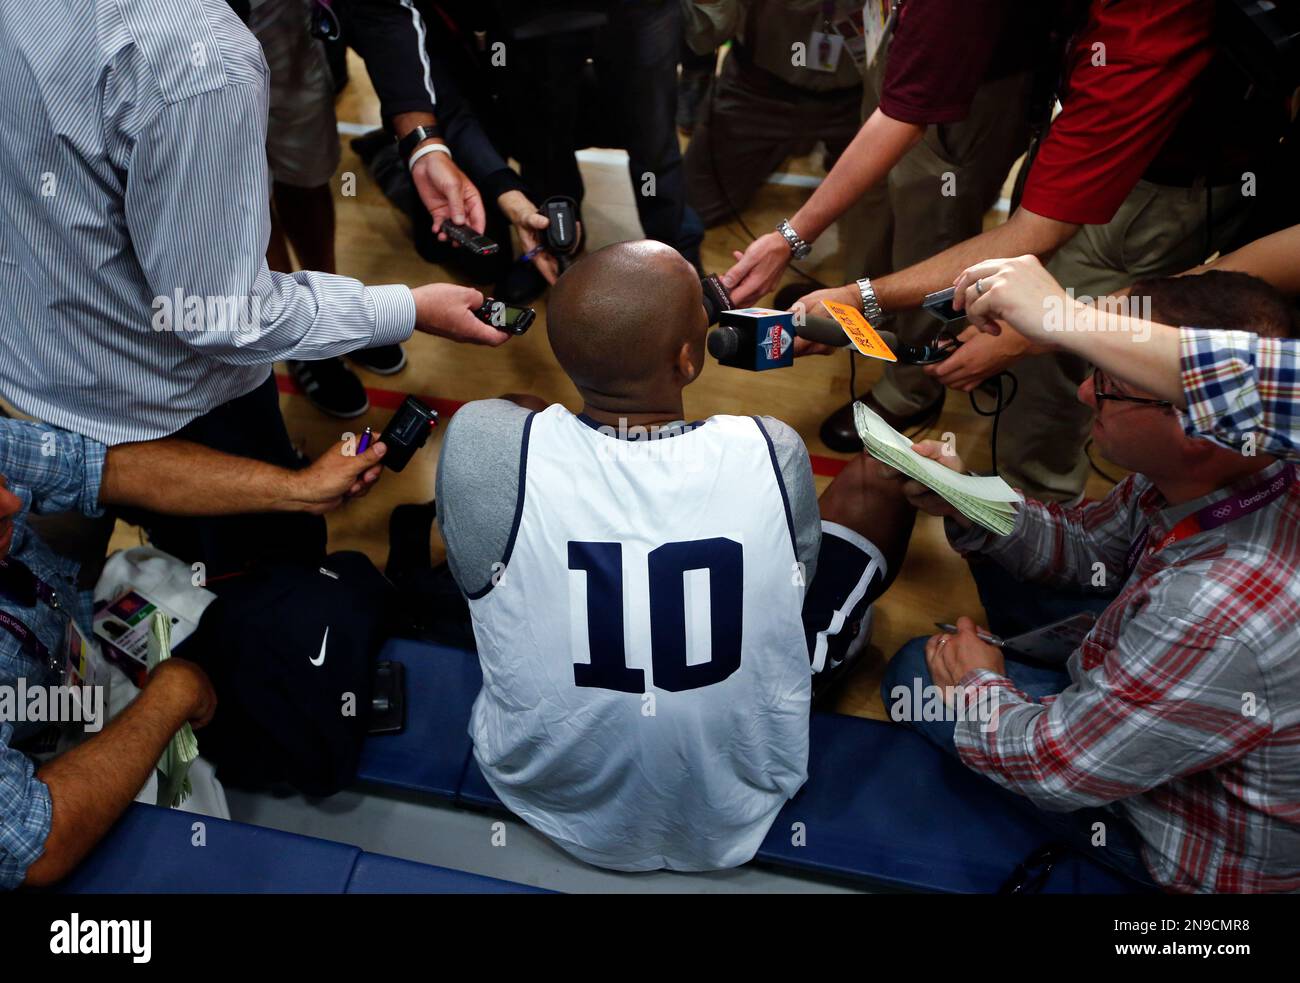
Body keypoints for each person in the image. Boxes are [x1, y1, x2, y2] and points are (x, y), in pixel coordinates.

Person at [434, 241, 914, 871]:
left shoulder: (480, 442)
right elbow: (797, 572)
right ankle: (838, 642)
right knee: (881, 477)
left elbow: (520, 416)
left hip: (543, 790)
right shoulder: (768, 446)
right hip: (740, 803)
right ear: (690, 360)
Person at [0, 0, 506, 578]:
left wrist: (422, 140)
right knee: (262, 590)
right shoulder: (202, 61)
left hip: (32, 359)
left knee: (86, 589)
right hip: (165, 402)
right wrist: (404, 308)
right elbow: (225, 314)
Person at [874, 301, 1300, 891]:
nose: (1083, 393)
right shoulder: (1229, 475)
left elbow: (1054, 768)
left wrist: (978, 687)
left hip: (1197, 856)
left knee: (914, 674)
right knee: (1002, 551)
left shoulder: (1212, 613)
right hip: (1190, 685)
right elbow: (1088, 548)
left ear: (1194, 429)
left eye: (1111, 384)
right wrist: (964, 496)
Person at [794, 0, 1286, 501]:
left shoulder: (1146, 29)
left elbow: (1037, 235)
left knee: (1059, 382)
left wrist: (1034, 334)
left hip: (1158, 191)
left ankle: (1036, 510)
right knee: (1020, 323)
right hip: (1087, 141)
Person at [0, 417, 388, 888]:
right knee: (206, 859)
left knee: (164, 581)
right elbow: (33, 845)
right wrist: (170, 696)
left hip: (76, 650)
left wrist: (301, 487)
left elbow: (99, 468)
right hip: (45, 769)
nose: (13, 501)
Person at [719, 0, 1046, 445]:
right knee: (873, 200)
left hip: (973, 71)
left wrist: (790, 237)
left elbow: (907, 117)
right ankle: (851, 309)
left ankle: (910, 385)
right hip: (892, 32)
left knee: (932, 223)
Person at [952, 251, 1300, 463]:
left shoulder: (1202, 583)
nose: (1084, 393)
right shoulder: (1144, 498)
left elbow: (1272, 386)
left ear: (1202, 429)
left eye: (1114, 385)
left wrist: (1069, 319)